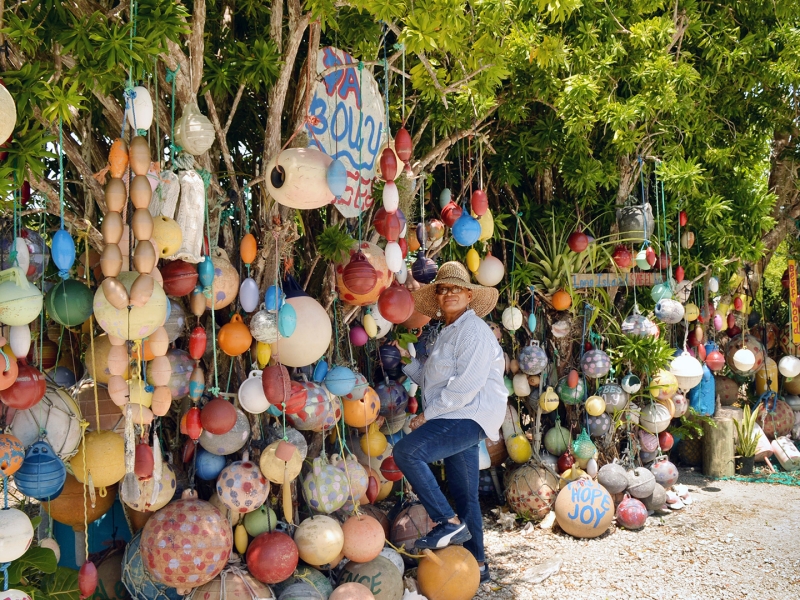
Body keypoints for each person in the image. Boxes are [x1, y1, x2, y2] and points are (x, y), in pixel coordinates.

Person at [392, 261, 508, 583]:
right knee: (464, 492)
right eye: (442, 289)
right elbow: (434, 380)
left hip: (467, 414)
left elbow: (465, 387)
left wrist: (425, 417)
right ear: (438, 298)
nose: (448, 294)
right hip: (460, 413)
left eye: (456, 288)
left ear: (470, 295)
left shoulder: (473, 331)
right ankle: (478, 565)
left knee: (406, 453)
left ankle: (446, 522)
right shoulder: (448, 333)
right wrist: (405, 363)